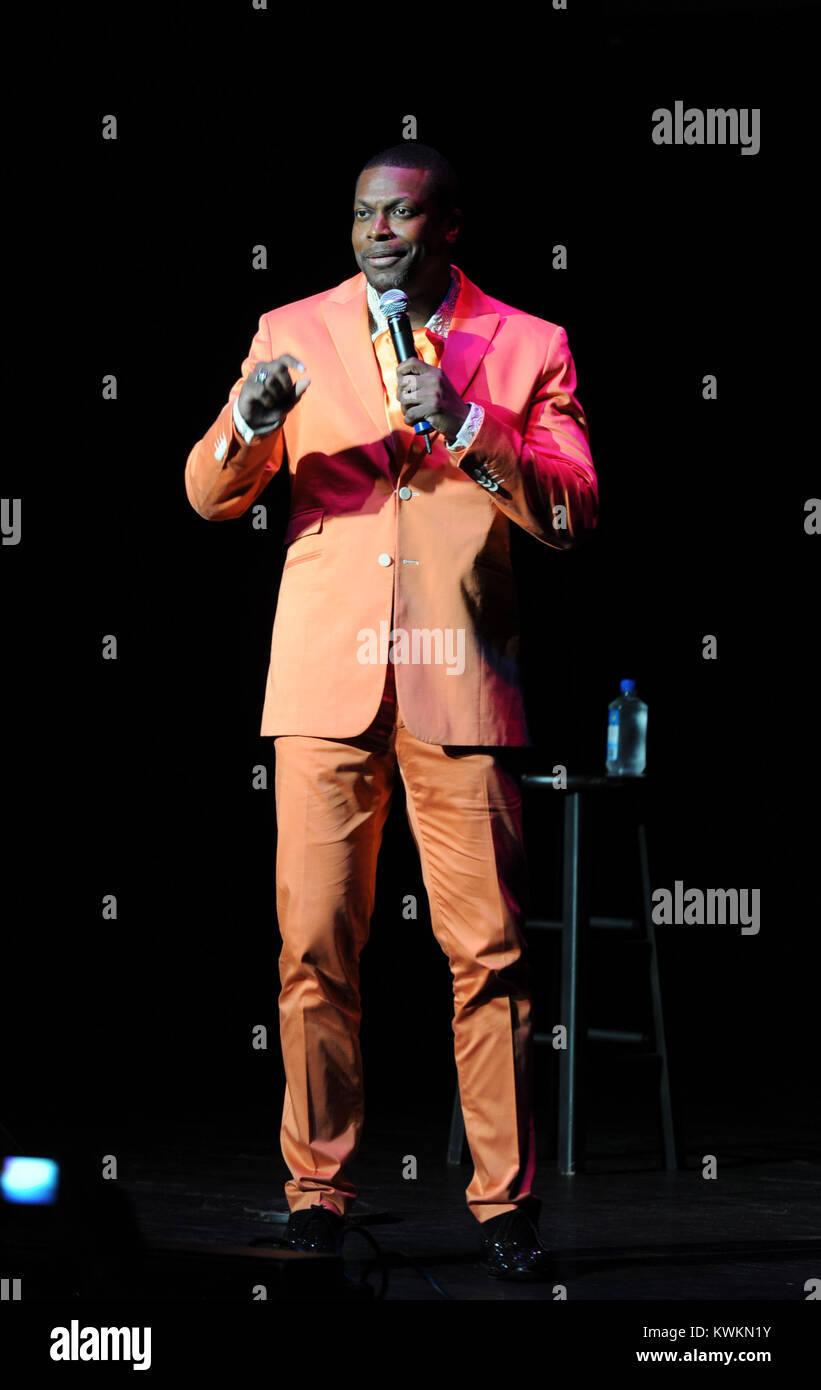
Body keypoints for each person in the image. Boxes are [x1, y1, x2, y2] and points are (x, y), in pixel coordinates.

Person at [184, 143, 598, 1281]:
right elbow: (210, 494)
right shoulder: (290, 330)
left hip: (460, 681)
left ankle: (502, 1202)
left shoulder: (525, 345)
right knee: (313, 947)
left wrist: (467, 424)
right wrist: (245, 418)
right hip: (323, 684)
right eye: (364, 213)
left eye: (402, 215)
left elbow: (569, 514)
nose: (378, 231)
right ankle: (316, 1188)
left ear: (447, 227)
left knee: (491, 954)